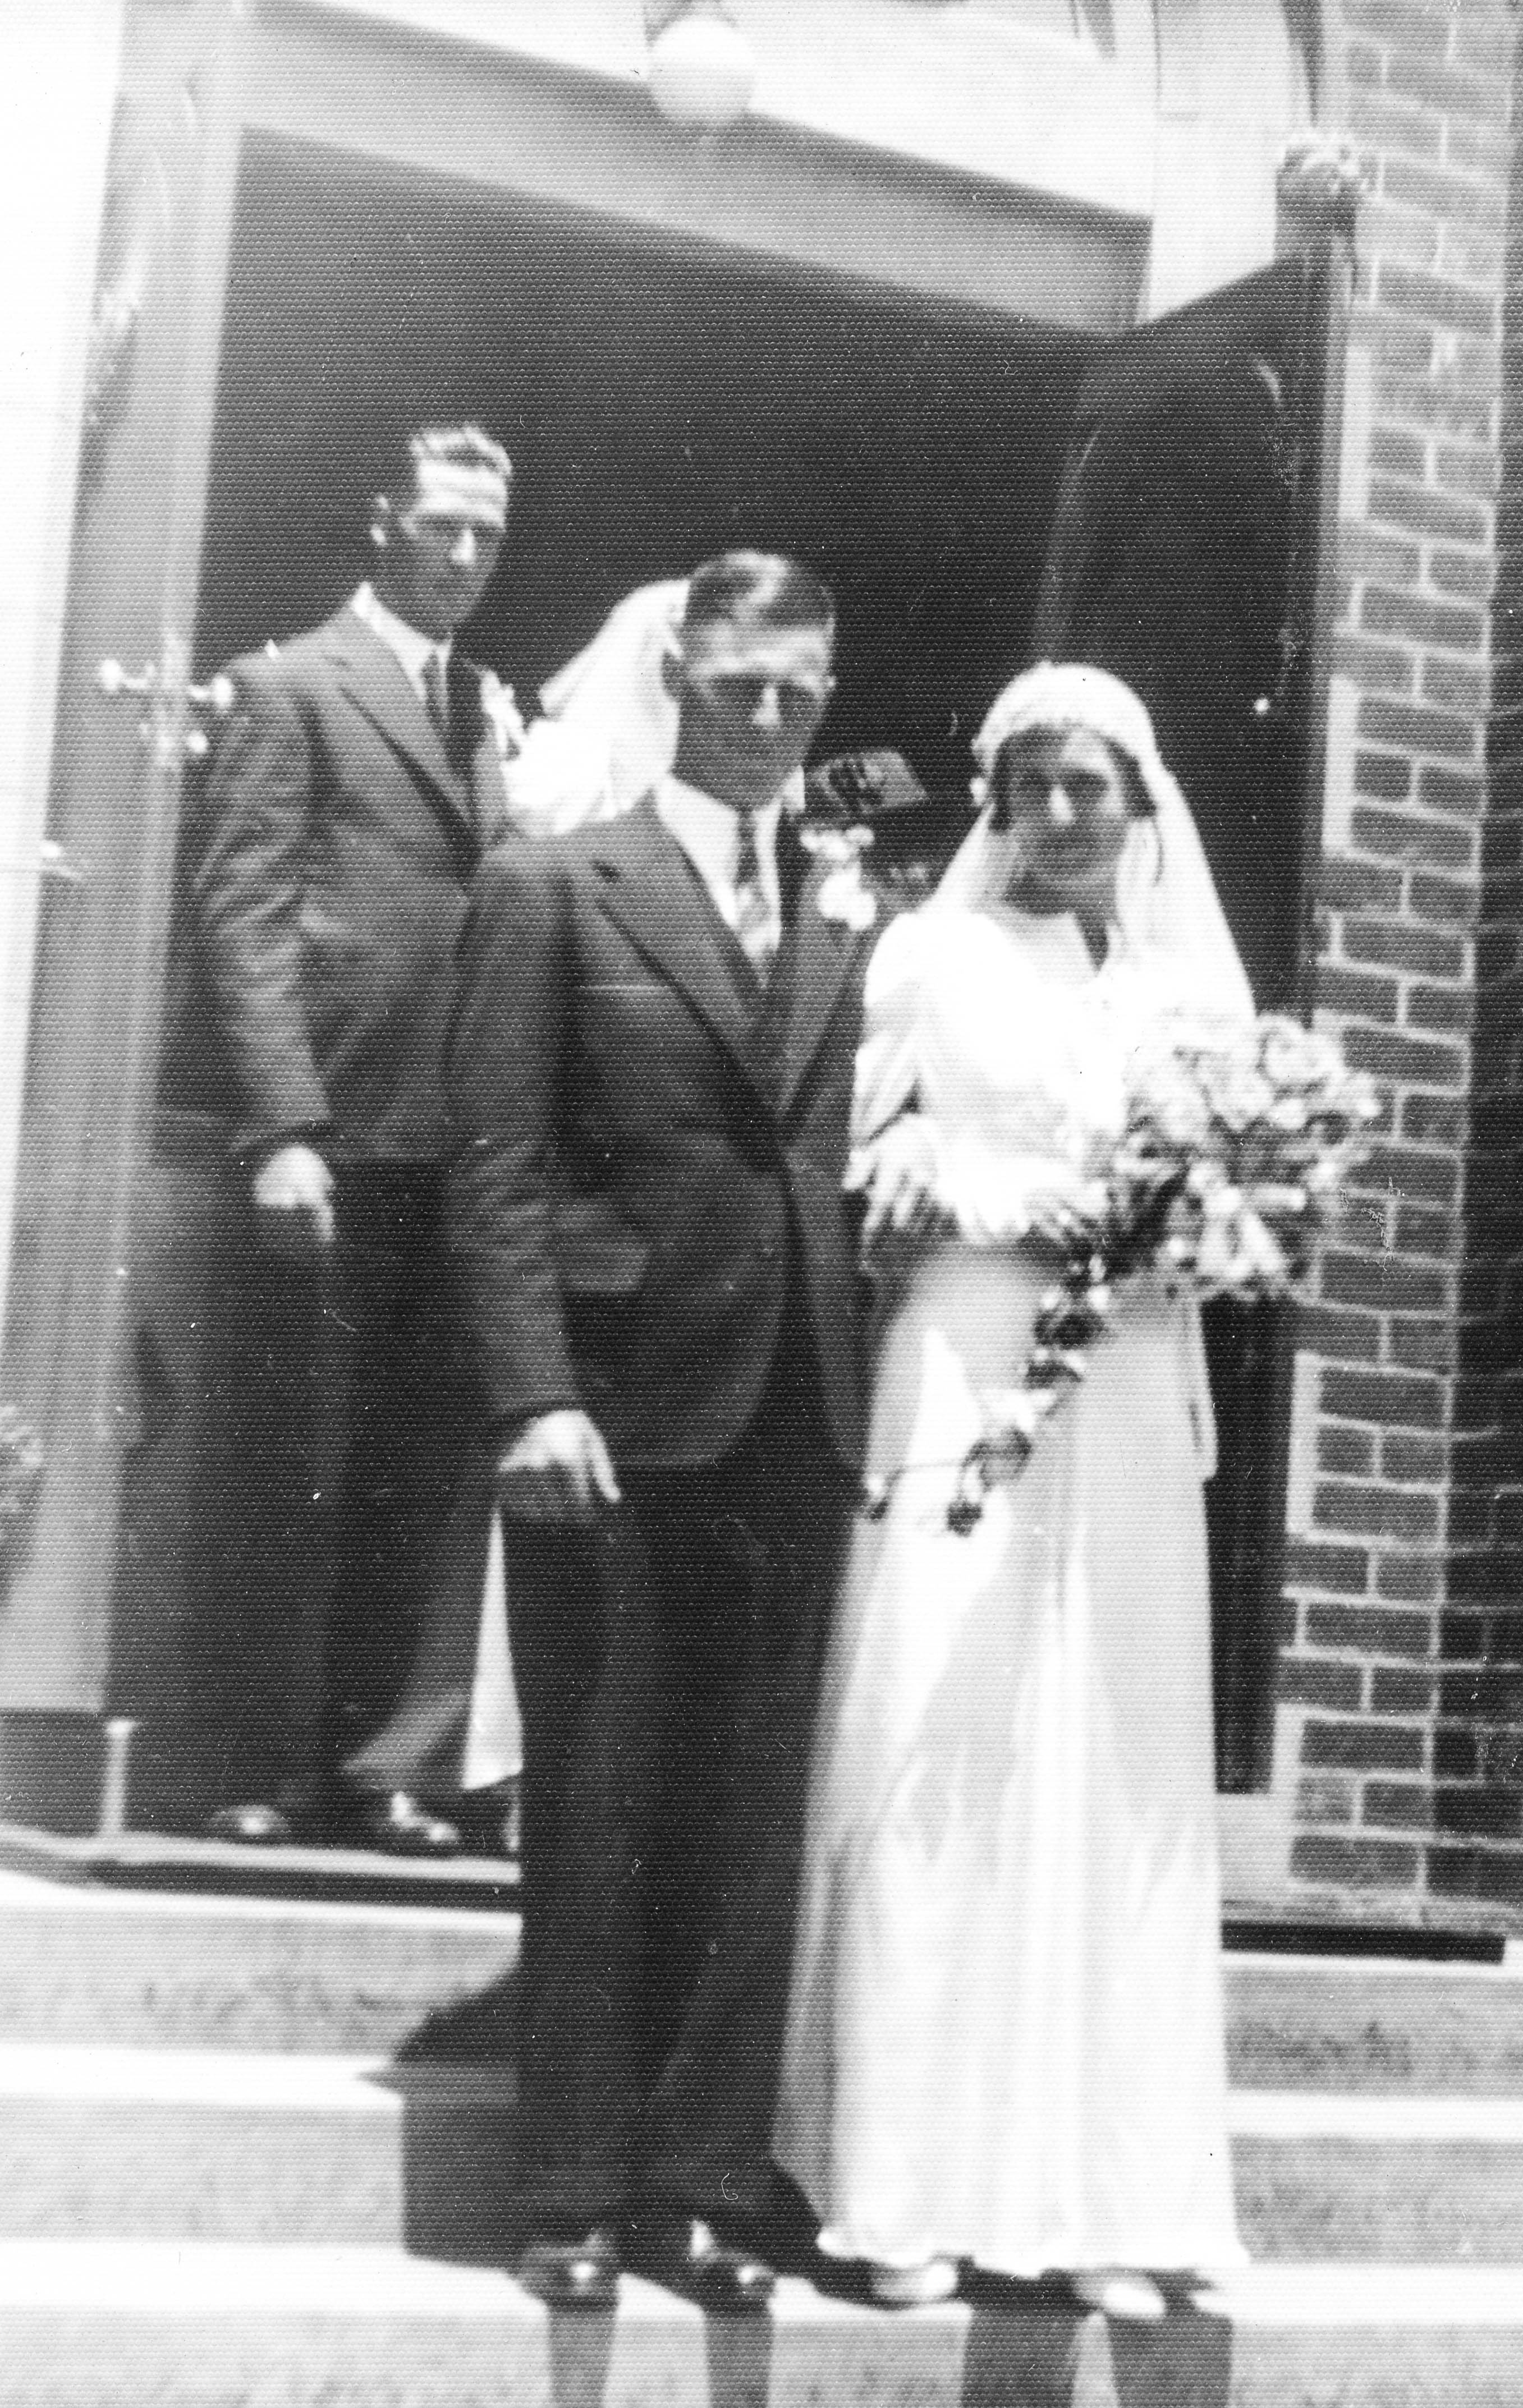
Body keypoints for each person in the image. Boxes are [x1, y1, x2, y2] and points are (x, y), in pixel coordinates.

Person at [774, 661, 1249, 2314]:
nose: (1062, 817)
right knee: (944, 1748)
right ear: (994, 800)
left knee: (1110, 1772)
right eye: (1033, 785)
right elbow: (858, 1159)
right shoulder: (929, 952)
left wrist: (1198, 1230)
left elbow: (1237, 1195)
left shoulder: (1187, 993)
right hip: (969, 1359)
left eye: (1092, 788)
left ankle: (1109, 2194)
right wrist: (990, 1192)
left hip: (1119, 1387)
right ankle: (903, 2187)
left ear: (1139, 806)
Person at [445, 551, 880, 2312]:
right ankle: (568, 2188)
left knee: (751, 1807)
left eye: (794, 692)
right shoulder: (555, 884)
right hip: (613, 1414)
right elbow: (493, 1166)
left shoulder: (863, 909)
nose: (763, 718)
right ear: (676, 676)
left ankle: (696, 2177)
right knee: (605, 1795)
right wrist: (531, 1388)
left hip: (802, 1411)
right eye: (733, 684)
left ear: (823, 698)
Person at [192, 420, 517, 1856]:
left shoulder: (485, 708)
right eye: (441, 524)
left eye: (488, 536)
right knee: (296, 1464)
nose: (463, 555)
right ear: (382, 519)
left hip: (463, 1152)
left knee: (424, 1474)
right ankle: (264, 1763)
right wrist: (282, 1128)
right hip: (332, 1150)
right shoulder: (291, 685)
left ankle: (387, 1765)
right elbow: (244, 913)